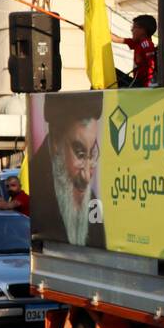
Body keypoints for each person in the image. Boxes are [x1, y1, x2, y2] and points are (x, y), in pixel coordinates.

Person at [29, 93, 106, 249]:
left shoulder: (92, 200)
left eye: (92, 154)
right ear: (56, 141)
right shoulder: (33, 190)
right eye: (80, 154)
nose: (86, 176)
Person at [120, 14, 157, 88]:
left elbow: (151, 64)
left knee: (112, 73)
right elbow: (117, 39)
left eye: (134, 27)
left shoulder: (146, 44)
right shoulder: (137, 43)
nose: (131, 30)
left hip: (143, 85)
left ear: (142, 30)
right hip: (137, 82)